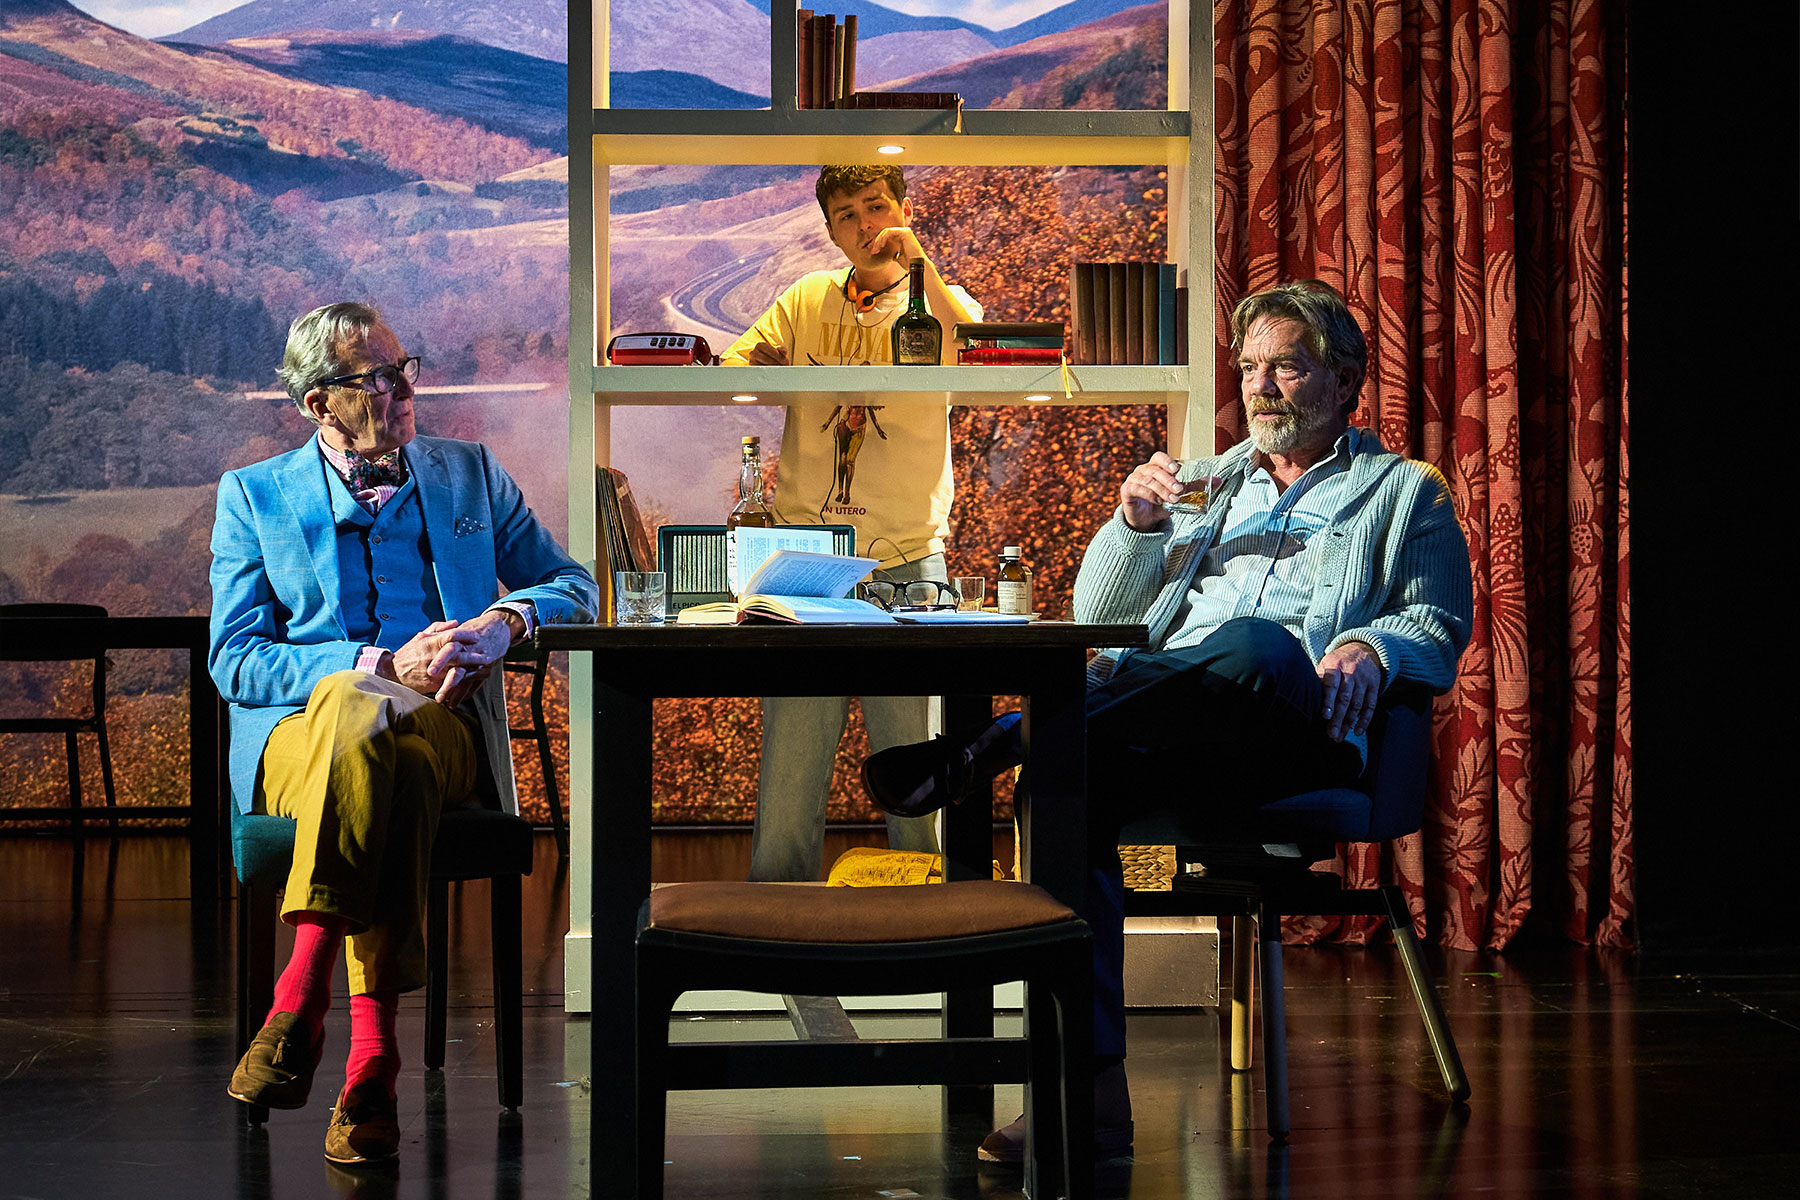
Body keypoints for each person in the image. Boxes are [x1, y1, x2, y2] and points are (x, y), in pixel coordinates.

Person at [862, 279, 1474, 1162]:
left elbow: (1437, 624)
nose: (1261, 387)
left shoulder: (1405, 491)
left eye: (1287, 368)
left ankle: (995, 740)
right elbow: (1102, 618)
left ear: (1345, 380)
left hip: (1298, 730)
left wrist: (1372, 646)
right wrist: (1135, 524)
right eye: (1250, 368)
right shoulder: (1207, 483)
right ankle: (1089, 1093)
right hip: (1178, 727)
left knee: (1258, 643)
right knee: (1065, 780)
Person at [211, 302, 598, 1166]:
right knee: (371, 724)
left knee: (389, 737)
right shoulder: (254, 495)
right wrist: (379, 665)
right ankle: (371, 1067)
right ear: (319, 403)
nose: (403, 388)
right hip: (300, 742)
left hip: (447, 726)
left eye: (403, 367)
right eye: (376, 377)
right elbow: (235, 660)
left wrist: (504, 621)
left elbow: (574, 584)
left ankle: (302, 993)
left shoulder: (470, 474)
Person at [721, 164, 982, 882]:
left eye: (876, 206)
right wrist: (755, 369)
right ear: (831, 231)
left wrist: (919, 262)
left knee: (919, 773)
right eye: (846, 215)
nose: (866, 225)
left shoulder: (940, 299)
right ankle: (777, 927)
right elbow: (734, 367)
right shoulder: (806, 299)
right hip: (807, 567)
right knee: (791, 772)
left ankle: (929, 929)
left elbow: (981, 353)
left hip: (907, 564)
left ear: (904, 210)